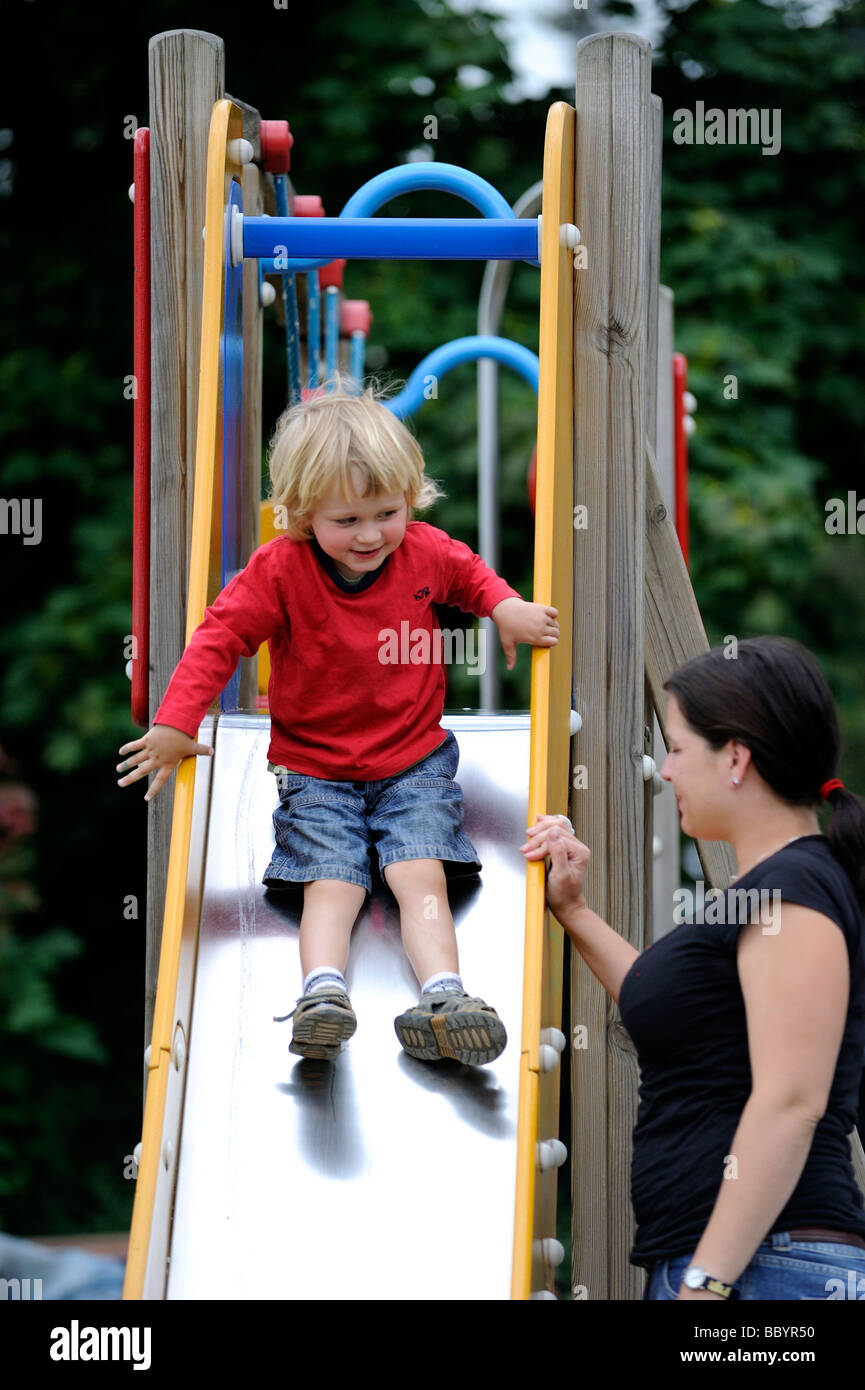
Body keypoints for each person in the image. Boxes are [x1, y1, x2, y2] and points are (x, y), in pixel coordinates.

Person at [118, 379, 559, 1066]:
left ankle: (444, 997)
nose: (369, 535)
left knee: (420, 871)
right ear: (299, 516)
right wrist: (179, 722)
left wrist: (502, 607)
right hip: (315, 768)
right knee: (334, 878)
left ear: (409, 498)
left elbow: (471, 578)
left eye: (386, 513)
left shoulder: (423, 551)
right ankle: (322, 993)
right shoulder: (279, 570)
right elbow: (219, 638)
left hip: (412, 761)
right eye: (345, 521)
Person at [522, 636, 865, 1301]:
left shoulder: (792, 891)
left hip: (761, 1268)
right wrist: (576, 912)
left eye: (677, 748)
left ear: (735, 757)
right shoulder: (769, 889)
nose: (667, 769)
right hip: (747, 1265)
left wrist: (705, 1286)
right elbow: (675, 1008)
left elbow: (790, 1102)